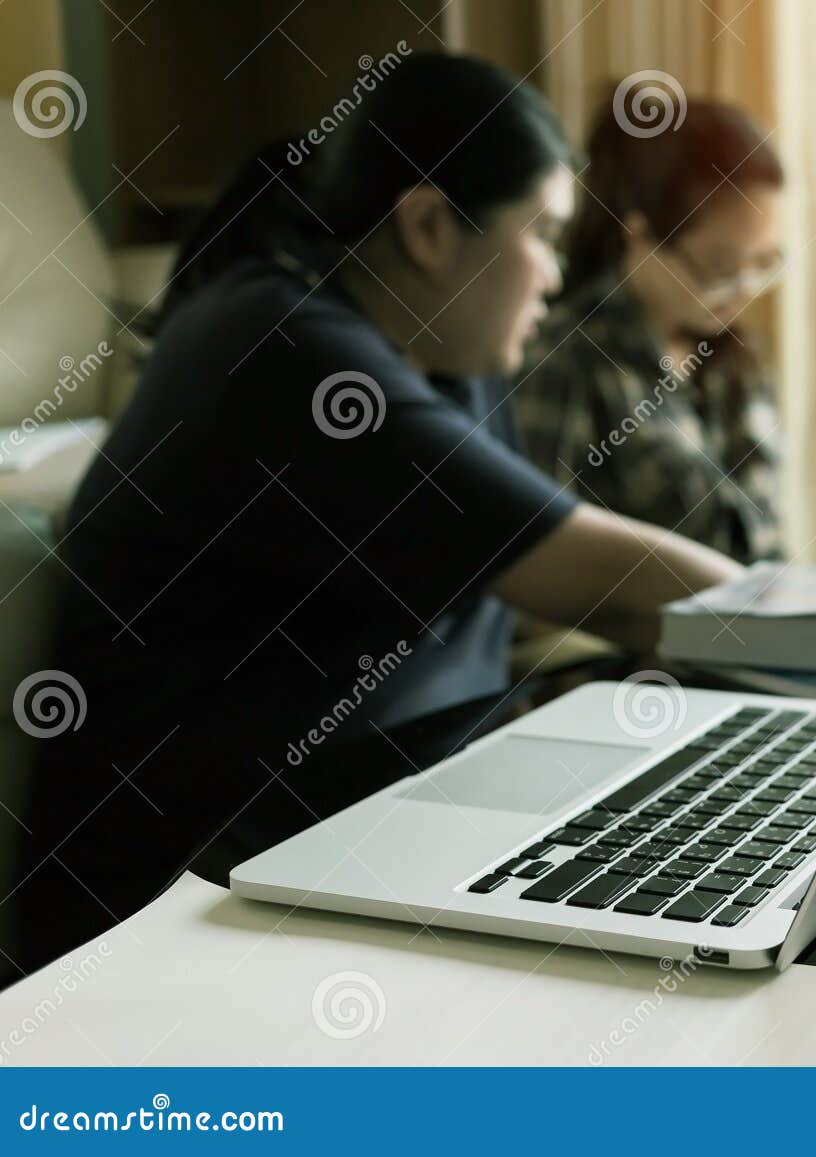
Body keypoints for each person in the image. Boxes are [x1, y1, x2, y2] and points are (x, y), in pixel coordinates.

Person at [5, 54, 742, 979]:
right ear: (430, 225)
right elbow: (618, 579)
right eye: (545, 235)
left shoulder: (450, 341)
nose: (555, 275)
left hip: (369, 813)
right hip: (186, 904)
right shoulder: (290, 353)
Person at [514, 97, 786, 564]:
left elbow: (764, 537)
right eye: (719, 267)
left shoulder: (736, 358)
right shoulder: (567, 356)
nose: (743, 292)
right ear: (639, 235)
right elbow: (531, 558)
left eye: (763, 264)